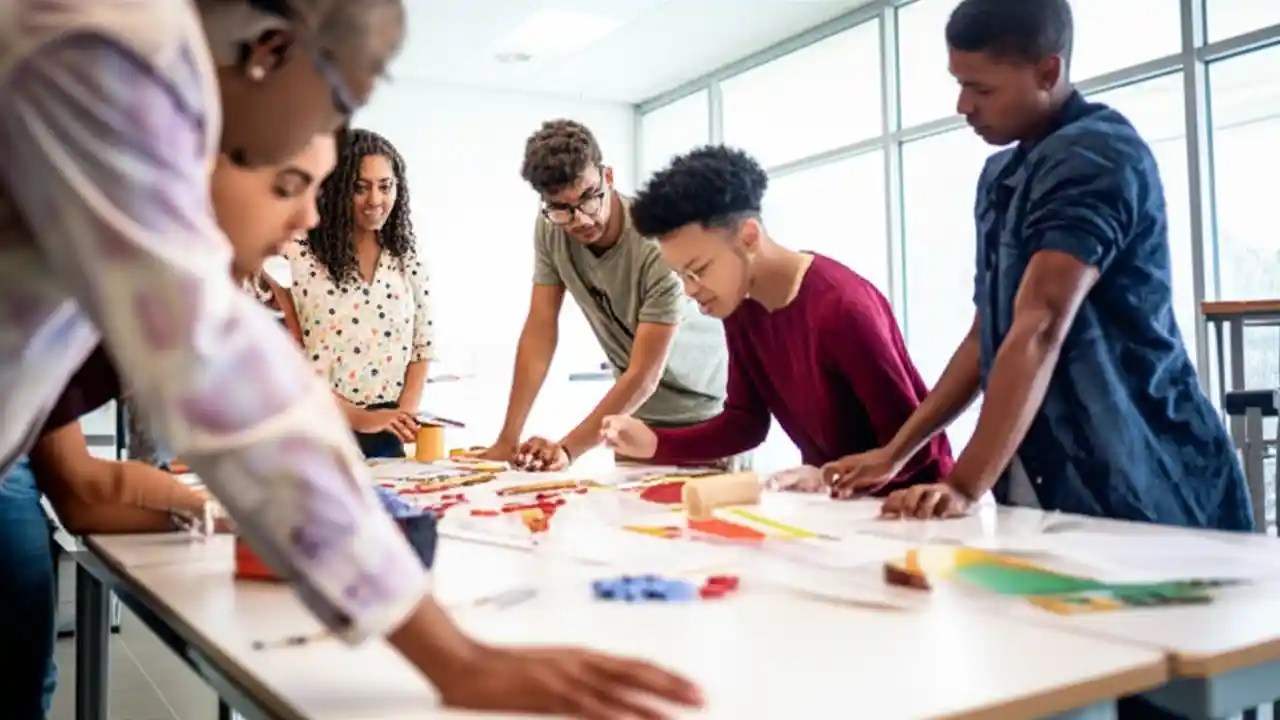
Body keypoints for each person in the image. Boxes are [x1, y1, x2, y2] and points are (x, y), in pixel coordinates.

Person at [0, 2, 703, 718]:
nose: (313, 211)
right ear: (265, 52)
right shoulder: (107, 58)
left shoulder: (128, 164)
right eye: (292, 176)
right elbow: (237, 390)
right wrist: (457, 660)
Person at [825, 0, 1252, 534]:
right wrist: (895, 453)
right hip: (1047, 475)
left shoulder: (1097, 154)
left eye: (982, 89)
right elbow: (991, 334)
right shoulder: (1004, 173)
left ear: (1048, 71)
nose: (963, 106)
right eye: (960, 84)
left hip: (1138, 466)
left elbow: (1042, 322)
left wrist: (963, 485)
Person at [600, 145, 953, 490]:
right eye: (680, 276)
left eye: (698, 270)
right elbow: (746, 421)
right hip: (843, 509)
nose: (690, 291)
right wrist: (655, 443)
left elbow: (917, 448)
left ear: (749, 238)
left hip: (914, 507)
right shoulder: (740, 308)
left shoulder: (841, 308)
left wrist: (825, 476)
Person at [476, 119, 730, 471]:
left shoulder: (657, 243)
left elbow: (644, 375)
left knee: (706, 525)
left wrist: (567, 449)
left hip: (706, 419)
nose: (580, 219)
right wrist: (508, 438)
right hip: (633, 421)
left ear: (607, 177)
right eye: (561, 208)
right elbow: (539, 330)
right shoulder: (551, 229)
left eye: (589, 198)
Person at [278, 128, 431, 459]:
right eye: (360, 188)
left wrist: (402, 416)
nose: (375, 200)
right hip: (319, 426)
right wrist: (362, 419)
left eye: (385, 186)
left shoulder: (406, 259)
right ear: (336, 191)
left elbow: (423, 346)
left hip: (387, 432)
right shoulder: (300, 250)